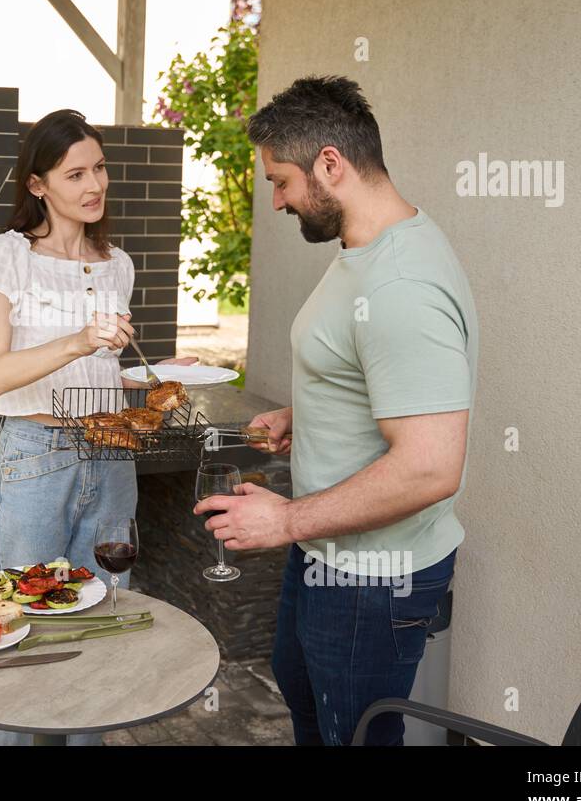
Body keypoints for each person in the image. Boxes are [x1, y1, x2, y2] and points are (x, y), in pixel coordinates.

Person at [194, 76, 479, 745]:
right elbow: (365, 362)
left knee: (350, 737)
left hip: (371, 578)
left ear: (331, 164)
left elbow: (432, 468)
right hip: (328, 555)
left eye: (281, 181)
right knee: (307, 703)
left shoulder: (403, 283)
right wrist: (309, 410)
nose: (278, 200)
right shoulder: (362, 248)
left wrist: (287, 518)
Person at [0, 108, 194, 746]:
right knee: (20, 631)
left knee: (100, 624)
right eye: (75, 174)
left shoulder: (116, 263)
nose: (94, 184)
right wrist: (76, 340)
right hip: (37, 457)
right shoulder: (7, 257)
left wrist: (149, 382)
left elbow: (98, 374)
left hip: (111, 453)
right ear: (39, 185)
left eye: (99, 168)